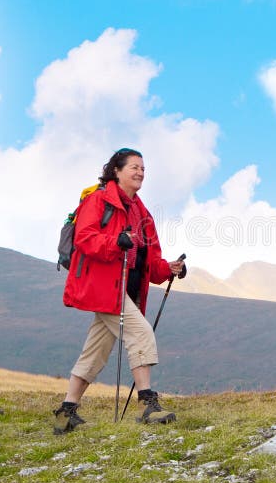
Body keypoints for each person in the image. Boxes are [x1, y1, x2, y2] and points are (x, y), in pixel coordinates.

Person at [53, 148, 185, 434]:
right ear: (116, 170)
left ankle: (66, 411)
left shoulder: (141, 211)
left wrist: (169, 269)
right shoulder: (99, 200)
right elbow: (85, 238)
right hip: (103, 287)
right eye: (133, 167)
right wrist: (117, 241)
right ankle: (148, 406)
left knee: (96, 349)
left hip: (124, 289)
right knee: (141, 333)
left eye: (142, 168)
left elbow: (148, 259)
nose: (140, 172)